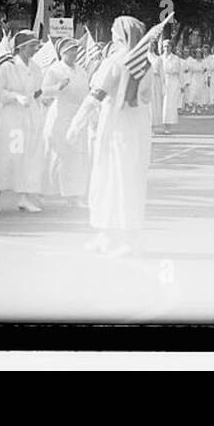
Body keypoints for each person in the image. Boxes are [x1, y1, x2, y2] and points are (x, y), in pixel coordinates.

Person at [69, 14, 162, 257]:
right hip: (136, 125)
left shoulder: (115, 61)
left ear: (120, 35)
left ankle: (128, 238)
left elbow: (96, 95)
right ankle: (107, 234)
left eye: (113, 31)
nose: (111, 34)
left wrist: (76, 124)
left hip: (116, 126)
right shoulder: (145, 63)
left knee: (116, 178)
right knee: (119, 178)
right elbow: (147, 97)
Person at [0, 29, 47, 213]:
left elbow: (38, 92)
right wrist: (16, 97)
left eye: (35, 46)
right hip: (12, 118)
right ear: (21, 47)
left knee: (28, 157)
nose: (35, 49)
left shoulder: (36, 68)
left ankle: (24, 198)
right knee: (9, 156)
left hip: (30, 116)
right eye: (32, 46)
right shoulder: (8, 67)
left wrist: (40, 103)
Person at [42, 38, 91, 204]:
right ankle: (59, 190)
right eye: (70, 50)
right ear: (62, 52)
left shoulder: (82, 70)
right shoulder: (55, 70)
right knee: (62, 154)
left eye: (75, 50)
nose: (74, 53)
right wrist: (58, 87)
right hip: (60, 115)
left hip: (77, 115)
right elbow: (45, 91)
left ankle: (74, 194)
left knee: (78, 155)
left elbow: (86, 92)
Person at [152, 39, 182, 133]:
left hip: (171, 81)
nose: (166, 48)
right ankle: (156, 125)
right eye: (164, 46)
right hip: (160, 80)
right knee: (159, 103)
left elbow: (175, 69)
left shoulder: (175, 58)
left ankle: (167, 127)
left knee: (169, 104)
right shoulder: (159, 58)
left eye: (168, 46)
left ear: (171, 47)